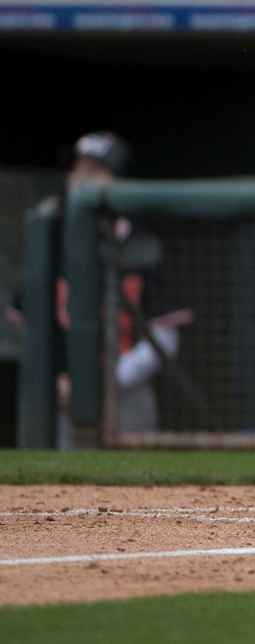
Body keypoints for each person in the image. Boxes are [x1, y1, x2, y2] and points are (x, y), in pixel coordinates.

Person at [7, 133, 190, 443]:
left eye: (93, 170)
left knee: (140, 482)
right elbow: (24, 326)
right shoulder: (51, 244)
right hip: (63, 394)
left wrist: (108, 380)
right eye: (76, 169)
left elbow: (166, 336)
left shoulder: (143, 247)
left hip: (129, 392)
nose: (79, 178)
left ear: (119, 181)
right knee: (60, 483)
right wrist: (56, 377)